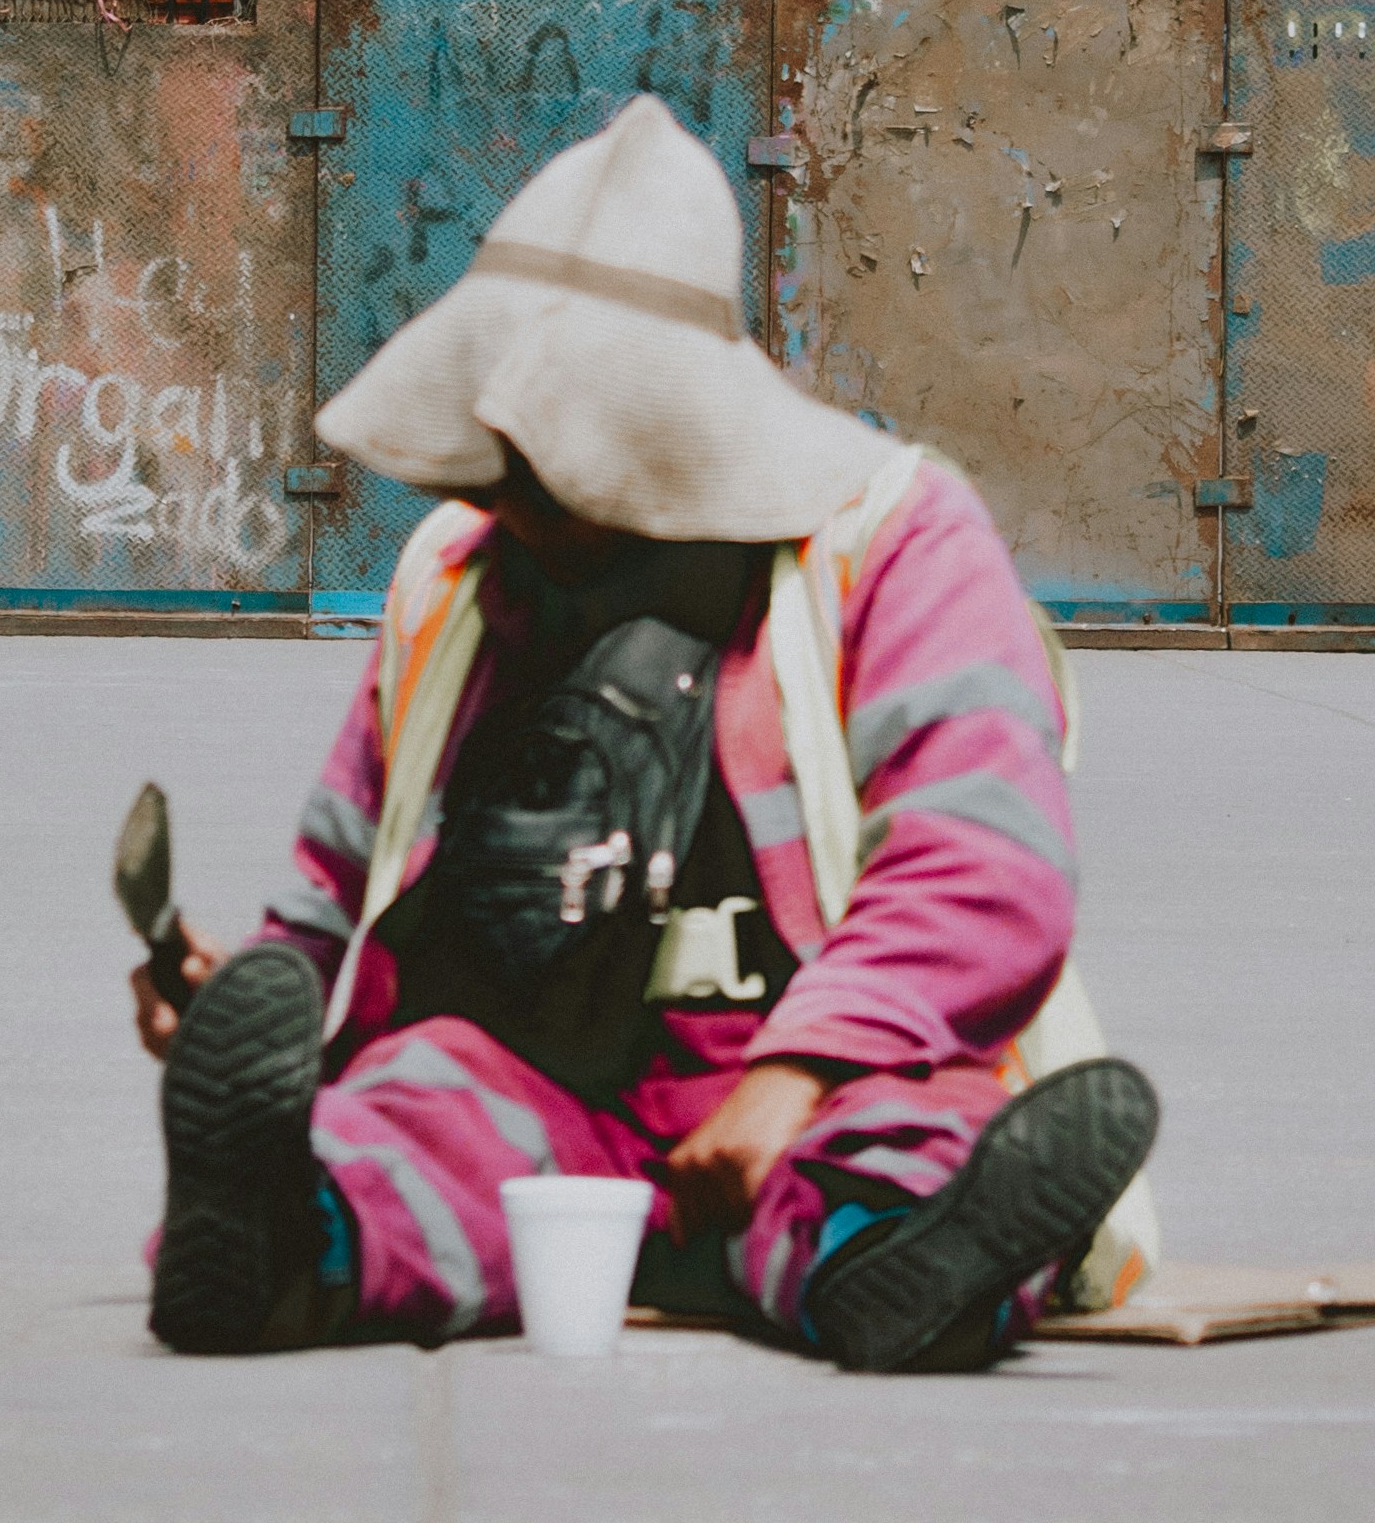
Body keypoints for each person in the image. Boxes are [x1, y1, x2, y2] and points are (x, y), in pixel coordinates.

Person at [135, 92, 1158, 1373]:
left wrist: (794, 1078)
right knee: (402, 1130)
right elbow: (345, 854)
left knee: (908, 1144)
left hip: (809, 1083)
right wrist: (259, 999)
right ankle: (281, 1244)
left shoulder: (890, 540)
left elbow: (983, 861)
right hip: (520, 1084)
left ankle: (903, 1265)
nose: (508, 501)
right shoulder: (455, 571)